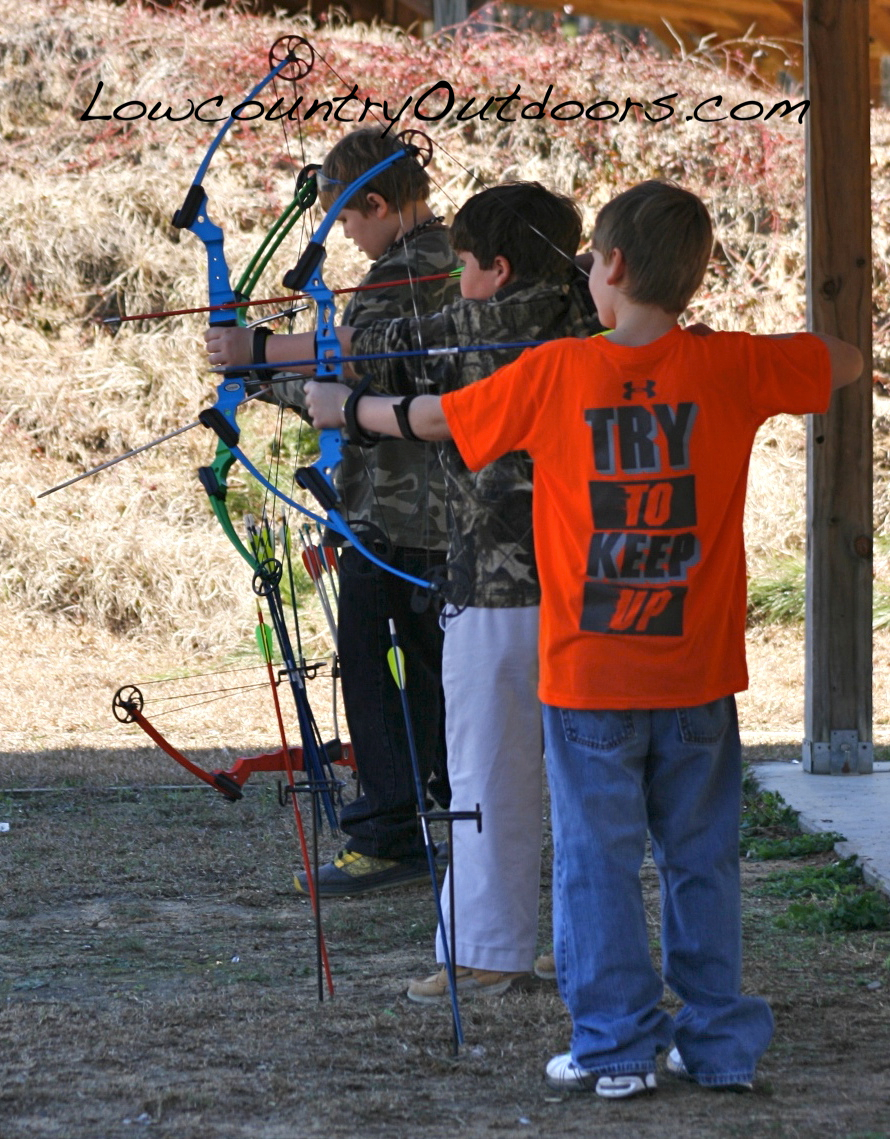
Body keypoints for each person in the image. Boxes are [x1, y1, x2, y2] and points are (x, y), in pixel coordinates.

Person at [303, 180, 863, 1094]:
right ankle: (718, 1045)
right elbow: (841, 358)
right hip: (696, 678)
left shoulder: (558, 369)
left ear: (610, 267)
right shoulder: (731, 368)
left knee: (597, 867)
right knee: (700, 860)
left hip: (591, 677)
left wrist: (348, 412)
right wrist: (726, 347)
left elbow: (444, 419)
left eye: (592, 263)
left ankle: (613, 1047)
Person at [209, 180, 602, 998]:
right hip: (598, 587)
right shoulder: (595, 314)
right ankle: (584, 947)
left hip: (500, 591)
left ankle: (489, 951)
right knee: (591, 780)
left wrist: (249, 360)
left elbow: (363, 352)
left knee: (489, 770)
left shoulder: (470, 328)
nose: (456, 280)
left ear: (495, 270)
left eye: (463, 264)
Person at [217, 128, 461, 895]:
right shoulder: (444, 260)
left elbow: (363, 364)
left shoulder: (410, 274)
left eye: (348, 221)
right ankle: (440, 811)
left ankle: (392, 834)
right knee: (427, 672)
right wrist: (263, 375)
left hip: (401, 519)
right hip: (423, 515)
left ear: (380, 204)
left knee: (374, 668)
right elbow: (348, 389)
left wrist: (258, 356)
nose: (346, 238)